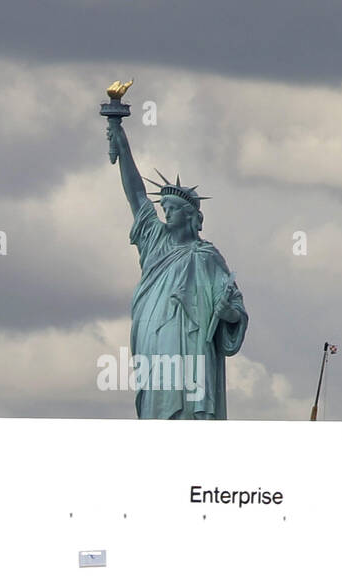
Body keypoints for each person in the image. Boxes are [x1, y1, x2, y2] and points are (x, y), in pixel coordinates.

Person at [106, 119, 247, 419]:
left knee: (189, 405)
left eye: (172, 208)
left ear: (191, 216)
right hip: (154, 337)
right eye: (164, 208)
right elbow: (137, 196)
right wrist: (120, 138)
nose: (165, 212)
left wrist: (228, 313)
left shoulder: (206, 257)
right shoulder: (154, 241)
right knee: (157, 401)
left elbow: (234, 307)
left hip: (193, 343)